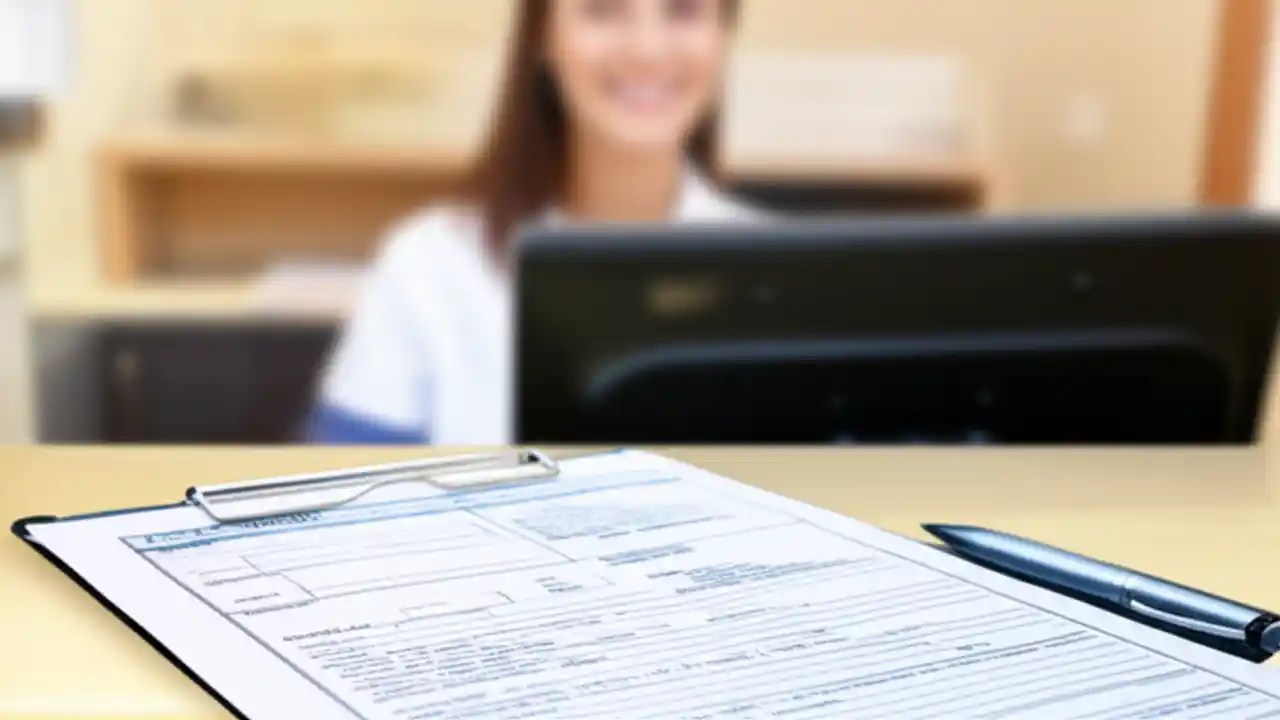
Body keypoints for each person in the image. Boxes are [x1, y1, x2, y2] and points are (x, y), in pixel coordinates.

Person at [311, 0, 756, 445]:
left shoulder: (767, 279)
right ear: (542, 36)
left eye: (683, 11)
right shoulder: (428, 265)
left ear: (723, 36)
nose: (646, 49)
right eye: (602, 10)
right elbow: (346, 475)